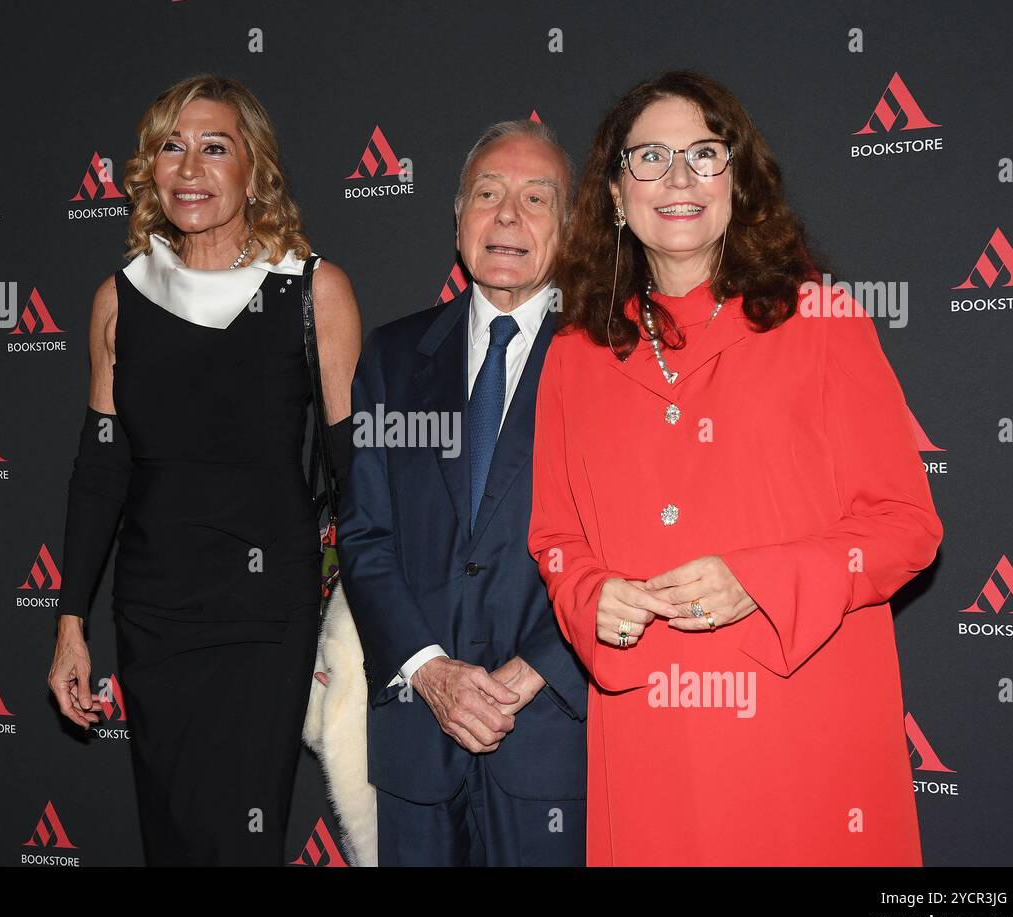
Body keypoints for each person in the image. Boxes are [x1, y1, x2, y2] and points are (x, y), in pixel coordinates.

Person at [528, 71, 943, 865]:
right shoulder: (574, 358)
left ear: (738, 182)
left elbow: (907, 528)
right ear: (615, 195)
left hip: (802, 726)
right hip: (650, 727)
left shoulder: (822, 324)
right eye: (649, 157)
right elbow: (555, 537)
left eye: (704, 154)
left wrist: (758, 580)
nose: (678, 179)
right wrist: (588, 595)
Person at [46, 74, 361, 866]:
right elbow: (101, 469)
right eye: (170, 148)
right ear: (150, 171)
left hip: (266, 611)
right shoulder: (119, 298)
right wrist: (71, 621)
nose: (189, 167)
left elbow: (352, 467)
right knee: (176, 834)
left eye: (214, 147)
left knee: (239, 839)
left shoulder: (311, 289)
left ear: (254, 171)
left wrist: (365, 617)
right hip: (155, 613)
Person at [339, 120, 589, 866]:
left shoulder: (611, 360)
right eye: (488, 194)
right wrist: (430, 671)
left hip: (551, 734)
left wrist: (541, 664)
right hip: (418, 738)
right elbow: (363, 535)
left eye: (535, 198)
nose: (507, 216)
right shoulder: (390, 357)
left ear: (570, 227)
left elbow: (635, 542)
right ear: (457, 218)